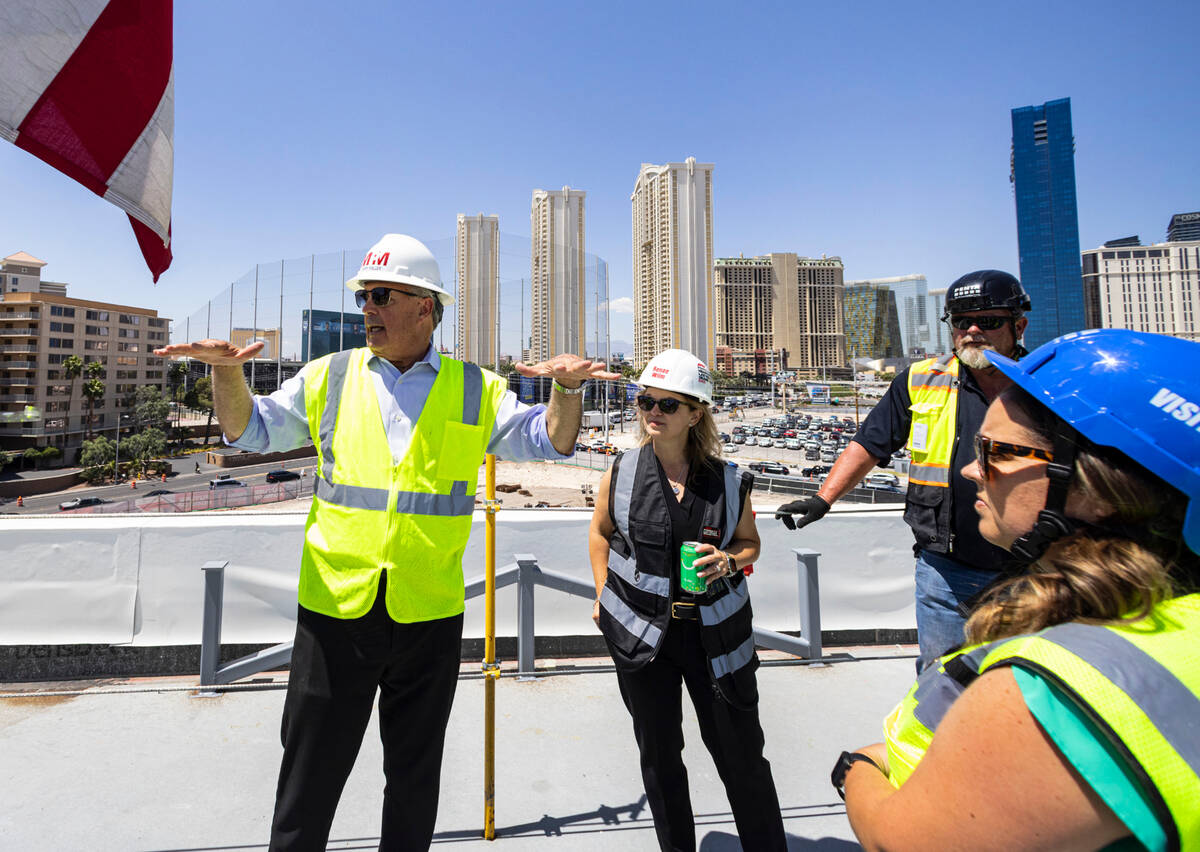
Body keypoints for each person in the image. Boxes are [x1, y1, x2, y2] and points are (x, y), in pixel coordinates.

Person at [156, 233, 618, 851]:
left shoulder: (475, 388)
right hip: (335, 610)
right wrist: (226, 373)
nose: (366, 309)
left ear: (425, 306)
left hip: (427, 611)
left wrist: (567, 389)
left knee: (413, 780)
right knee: (309, 778)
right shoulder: (330, 376)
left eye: (380, 296)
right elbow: (251, 431)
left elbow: (549, 441)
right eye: (363, 298)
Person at [836, 329, 1200, 851]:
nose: (970, 470)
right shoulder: (1173, 613)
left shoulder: (1045, 691)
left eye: (996, 452)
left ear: (1095, 487)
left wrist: (858, 768)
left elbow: (896, 841)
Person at [776, 270, 1032, 670]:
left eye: (988, 321)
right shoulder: (921, 379)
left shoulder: (1049, 385)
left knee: (1032, 680)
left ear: (1019, 326)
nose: (972, 331)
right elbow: (870, 443)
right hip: (947, 570)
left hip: (1035, 568)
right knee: (941, 680)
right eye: (961, 321)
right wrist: (823, 498)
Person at [589, 349, 787, 852]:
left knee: (741, 756)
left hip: (715, 639)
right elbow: (600, 533)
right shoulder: (622, 471)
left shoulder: (729, 481)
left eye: (667, 404)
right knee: (659, 759)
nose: (652, 412)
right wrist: (601, 594)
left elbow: (750, 544)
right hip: (643, 637)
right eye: (645, 401)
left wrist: (729, 561)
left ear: (695, 414)